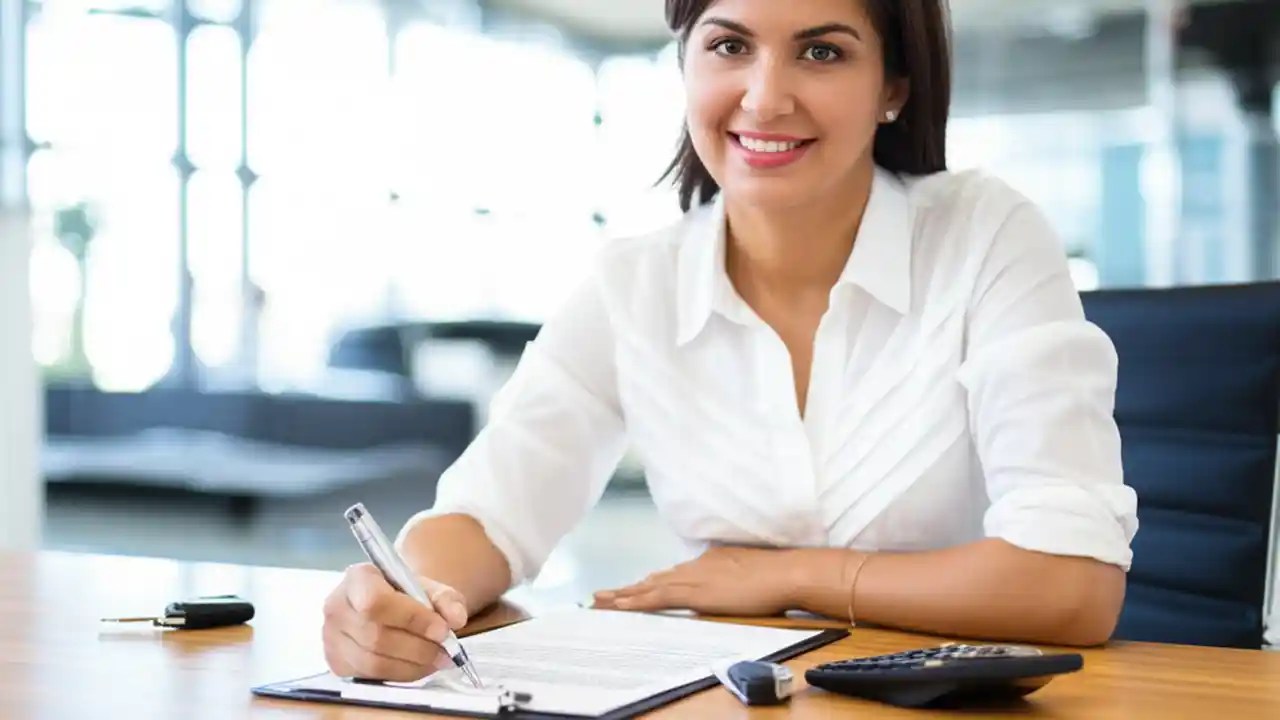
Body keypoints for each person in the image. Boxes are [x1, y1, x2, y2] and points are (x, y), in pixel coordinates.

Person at [322, 0, 1139, 682]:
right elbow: (485, 516)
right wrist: (407, 598)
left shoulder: (986, 235)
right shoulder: (633, 283)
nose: (764, 96)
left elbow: (1071, 584)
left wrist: (785, 574)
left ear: (893, 86)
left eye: (821, 51)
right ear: (686, 64)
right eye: (729, 45)